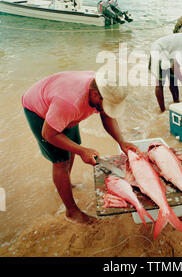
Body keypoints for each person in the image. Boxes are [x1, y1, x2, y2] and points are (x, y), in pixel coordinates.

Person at [22, 71, 140, 225]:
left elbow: (106, 115)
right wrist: (82, 150)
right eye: (107, 104)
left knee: (72, 147)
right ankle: (71, 212)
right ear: (95, 94)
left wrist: (121, 141)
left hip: (59, 104)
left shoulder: (105, 86)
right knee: (61, 160)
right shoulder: (69, 103)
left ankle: (66, 184)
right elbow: (49, 134)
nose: (107, 108)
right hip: (38, 110)